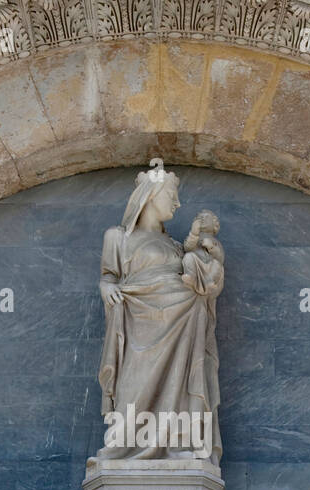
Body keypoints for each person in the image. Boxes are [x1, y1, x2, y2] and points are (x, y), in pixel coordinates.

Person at [94, 162, 223, 464]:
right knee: (134, 382)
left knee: (180, 379)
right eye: (171, 196)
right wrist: (106, 287)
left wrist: (208, 253)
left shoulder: (176, 246)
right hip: (138, 322)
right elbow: (109, 275)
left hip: (183, 322)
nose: (176, 204)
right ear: (151, 195)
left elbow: (201, 281)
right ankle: (125, 444)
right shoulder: (118, 237)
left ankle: (179, 443)